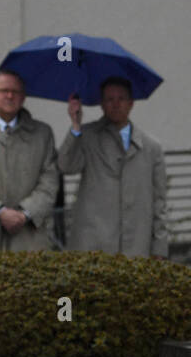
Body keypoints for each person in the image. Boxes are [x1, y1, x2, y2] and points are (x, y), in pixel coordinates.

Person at [58, 76, 168, 257]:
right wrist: (75, 126)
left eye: (121, 99)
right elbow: (65, 165)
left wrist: (159, 249)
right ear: (101, 104)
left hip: (136, 247)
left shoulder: (151, 147)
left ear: (131, 103)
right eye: (109, 99)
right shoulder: (87, 136)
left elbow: (159, 203)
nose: (115, 104)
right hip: (93, 245)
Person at [0, 67, 59, 252]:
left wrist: (25, 213)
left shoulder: (42, 134)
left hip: (31, 239)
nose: (10, 96)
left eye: (16, 91)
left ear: (24, 97)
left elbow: (50, 181)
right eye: (4, 91)